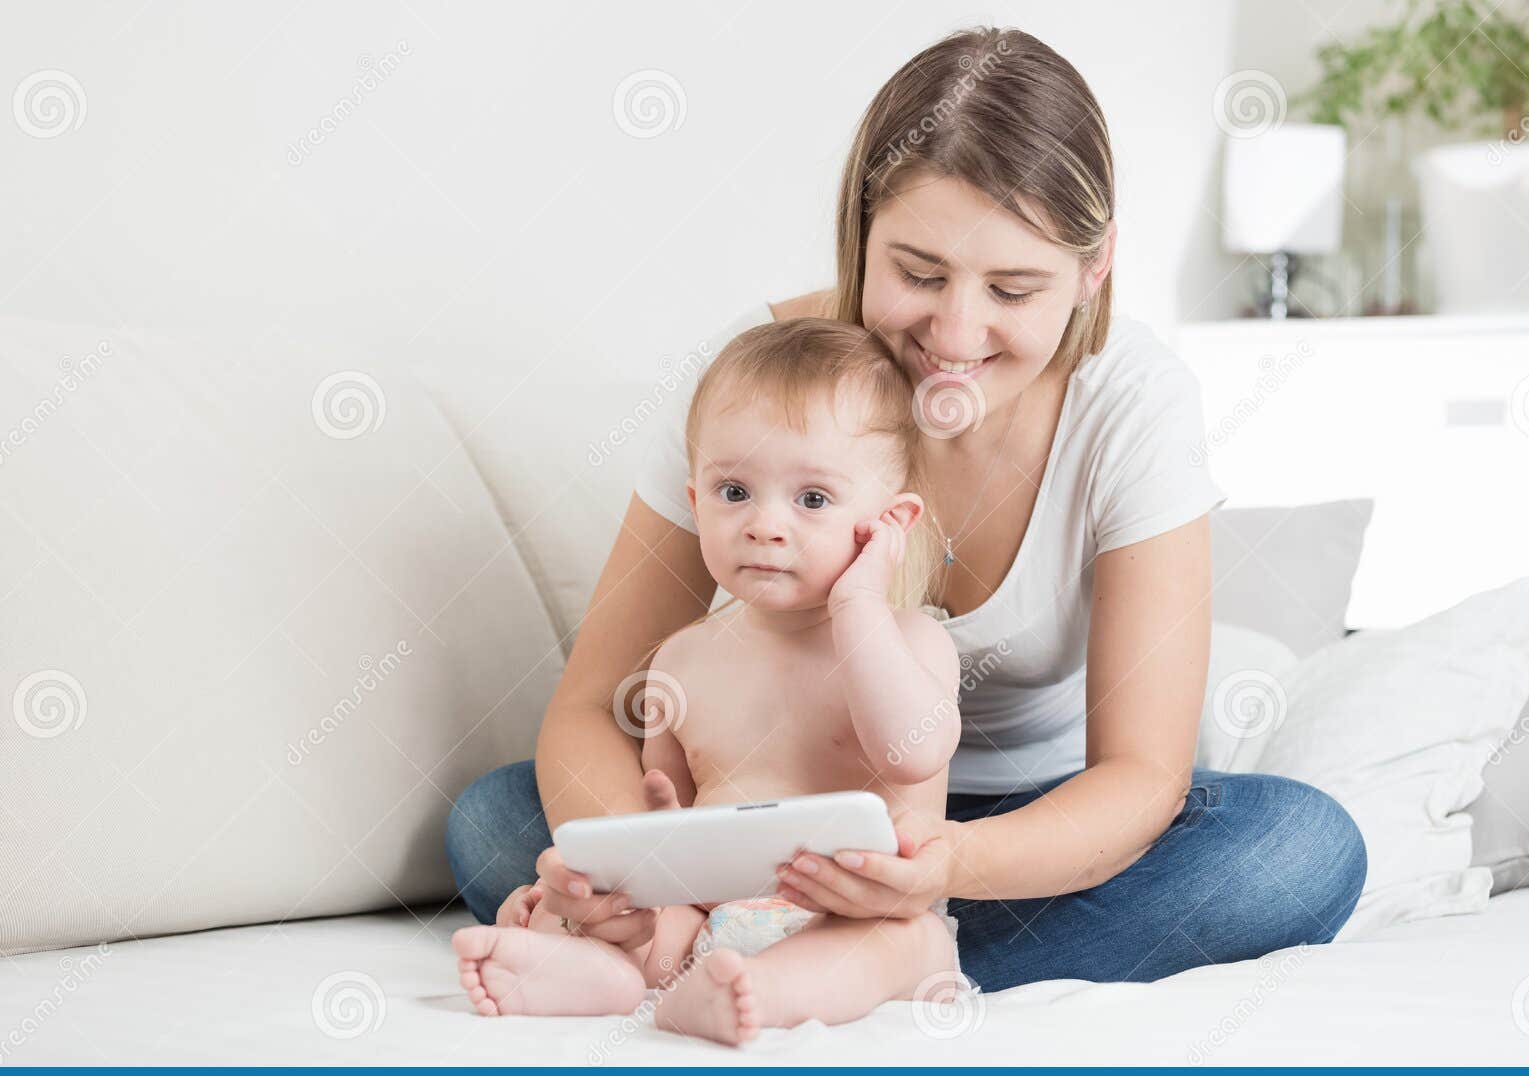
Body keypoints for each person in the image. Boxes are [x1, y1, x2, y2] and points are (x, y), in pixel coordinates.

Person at [446, 25, 1367, 994]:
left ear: (1093, 268)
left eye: (1013, 287)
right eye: (919, 273)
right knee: (494, 820)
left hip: (1026, 830)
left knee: (1295, 846)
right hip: (782, 816)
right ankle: (795, 950)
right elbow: (594, 705)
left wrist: (947, 864)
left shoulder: (1132, 403)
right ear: (859, 234)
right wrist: (638, 870)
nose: (956, 333)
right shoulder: (753, 380)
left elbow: (1140, 776)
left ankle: (816, 951)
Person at [453, 319, 964, 1045]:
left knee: (909, 943)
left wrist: (858, 603)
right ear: (695, 504)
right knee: (619, 908)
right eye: (734, 490)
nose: (764, 523)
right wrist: (638, 854)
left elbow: (914, 752)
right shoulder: (682, 658)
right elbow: (673, 823)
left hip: (861, 913)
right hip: (713, 917)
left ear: (889, 523)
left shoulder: (914, 642)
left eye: (812, 499)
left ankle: (761, 990)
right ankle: (596, 971)